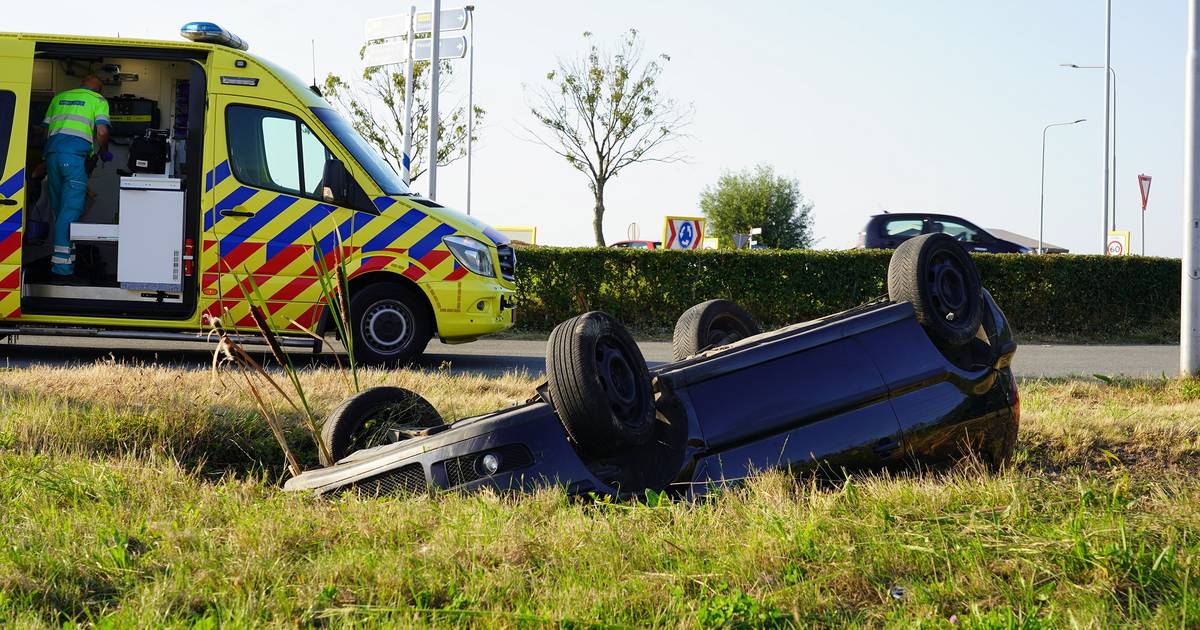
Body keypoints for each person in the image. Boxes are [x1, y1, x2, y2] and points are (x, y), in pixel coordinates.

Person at [43, 74, 112, 283]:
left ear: (82, 83)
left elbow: (46, 131)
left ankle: (64, 261)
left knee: (59, 210)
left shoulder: (59, 98)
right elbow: (101, 131)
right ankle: (62, 270)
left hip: (52, 157)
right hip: (73, 159)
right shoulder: (98, 100)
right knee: (71, 211)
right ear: (99, 89)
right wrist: (104, 150)